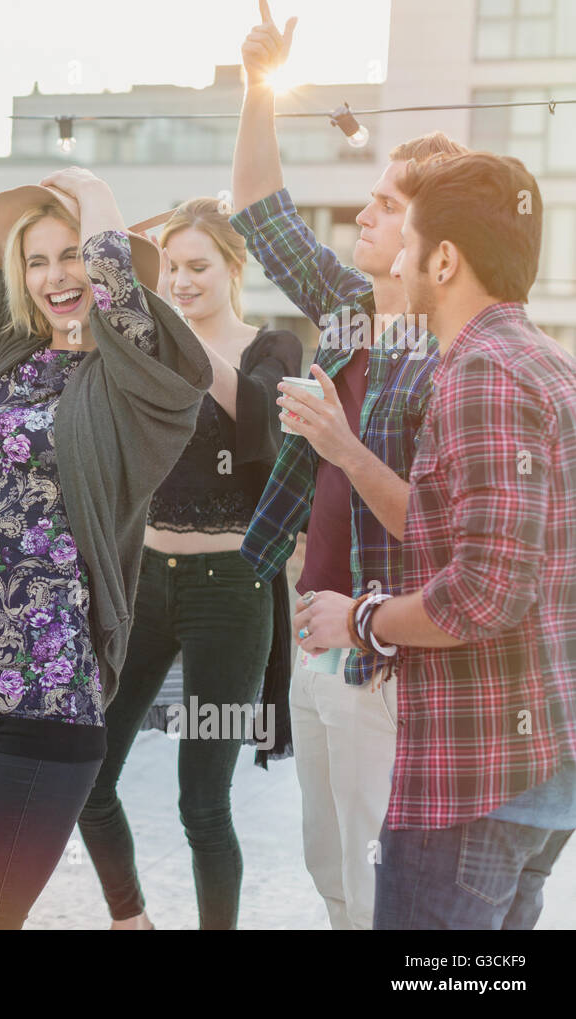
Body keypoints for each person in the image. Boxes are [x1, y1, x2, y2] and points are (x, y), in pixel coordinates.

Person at [0, 0, 211, 930]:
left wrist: (95, 200)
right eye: (42, 259)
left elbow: (139, 326)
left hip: (49, 706)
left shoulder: (137, 391)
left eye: (77, 257)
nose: (61, 274)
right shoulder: (6, 357)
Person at [295, 151, 576, 930]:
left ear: (444, 259)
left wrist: (361, 617)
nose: (403, 260)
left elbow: (484, 590)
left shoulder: (482, 371)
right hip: (533, 776)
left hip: (471, 783)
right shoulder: (547, 364)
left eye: (411, 240)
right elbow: (461, 534)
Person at [230, 0, 465, 930]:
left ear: (432, 237)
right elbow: (259, 206)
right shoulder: (348, 310)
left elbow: (438, 527)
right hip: (315, 643)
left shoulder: (453, 355)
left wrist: (338, 443)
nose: (364, 214)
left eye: (386, 206)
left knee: (384, 895)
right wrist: (257, 87)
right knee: (332, 872)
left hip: (391, 662)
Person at [76, 198, 301, 930]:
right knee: (89, 774)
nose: (179, 281)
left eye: (197, 266)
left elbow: (262, 425)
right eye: (170, 268)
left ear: (234, 268)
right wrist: (128, 248)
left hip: (231, 591)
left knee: (203, 802)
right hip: (143, 578)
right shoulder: (148, 342)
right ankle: (129, 916)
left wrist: (179, 338)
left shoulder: (273, 347)